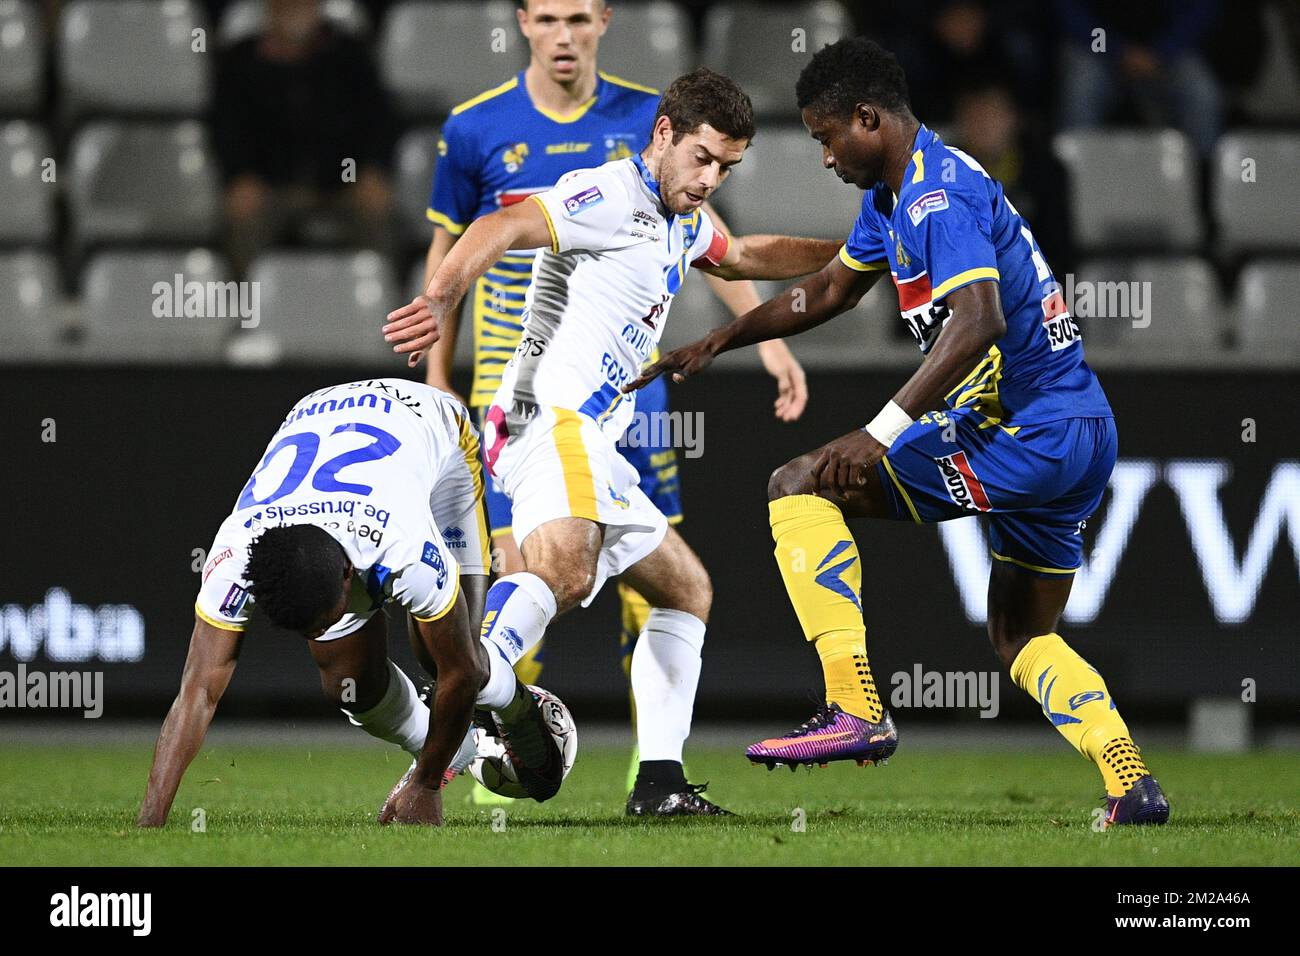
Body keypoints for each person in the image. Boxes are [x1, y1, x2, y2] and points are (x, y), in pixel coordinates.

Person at [626, 38, 1169, 828]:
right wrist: (716, 340)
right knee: (1020, 634)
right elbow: (829, 292)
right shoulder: (894, 200)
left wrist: (882, 430)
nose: (823, 158)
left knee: (799, 483)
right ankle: (1130, 779)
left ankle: (854, 706)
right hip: (1082, 429)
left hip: (1021, 428)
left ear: (868, 118)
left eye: (825, 137)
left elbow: (978, 320)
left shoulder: (934, 197)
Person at [384, 68, 843, 816]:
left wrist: (859, 249)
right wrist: (440, 297)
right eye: (701, 158)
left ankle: (658, 785)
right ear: (662, 134)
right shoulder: (607, 194)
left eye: (725, 166)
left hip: (590, 438)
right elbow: (502, 226)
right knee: (565, 571)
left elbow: (748, 254)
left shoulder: (683, 220)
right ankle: (448, 727)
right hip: (548, 417)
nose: (708, 179)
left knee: (685, 591)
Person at [136, 379, 563, 829]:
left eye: (325, 619)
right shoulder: (235, 555)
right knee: (349, 681)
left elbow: (462, 671)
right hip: (321, 419)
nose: (318, 634)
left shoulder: (403, 547)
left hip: (435, 431)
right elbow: (198, 690)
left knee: (451, 662)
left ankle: (515, 706)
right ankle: (449, 745)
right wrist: (150, 820)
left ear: (346, 574)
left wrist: (426, 785)